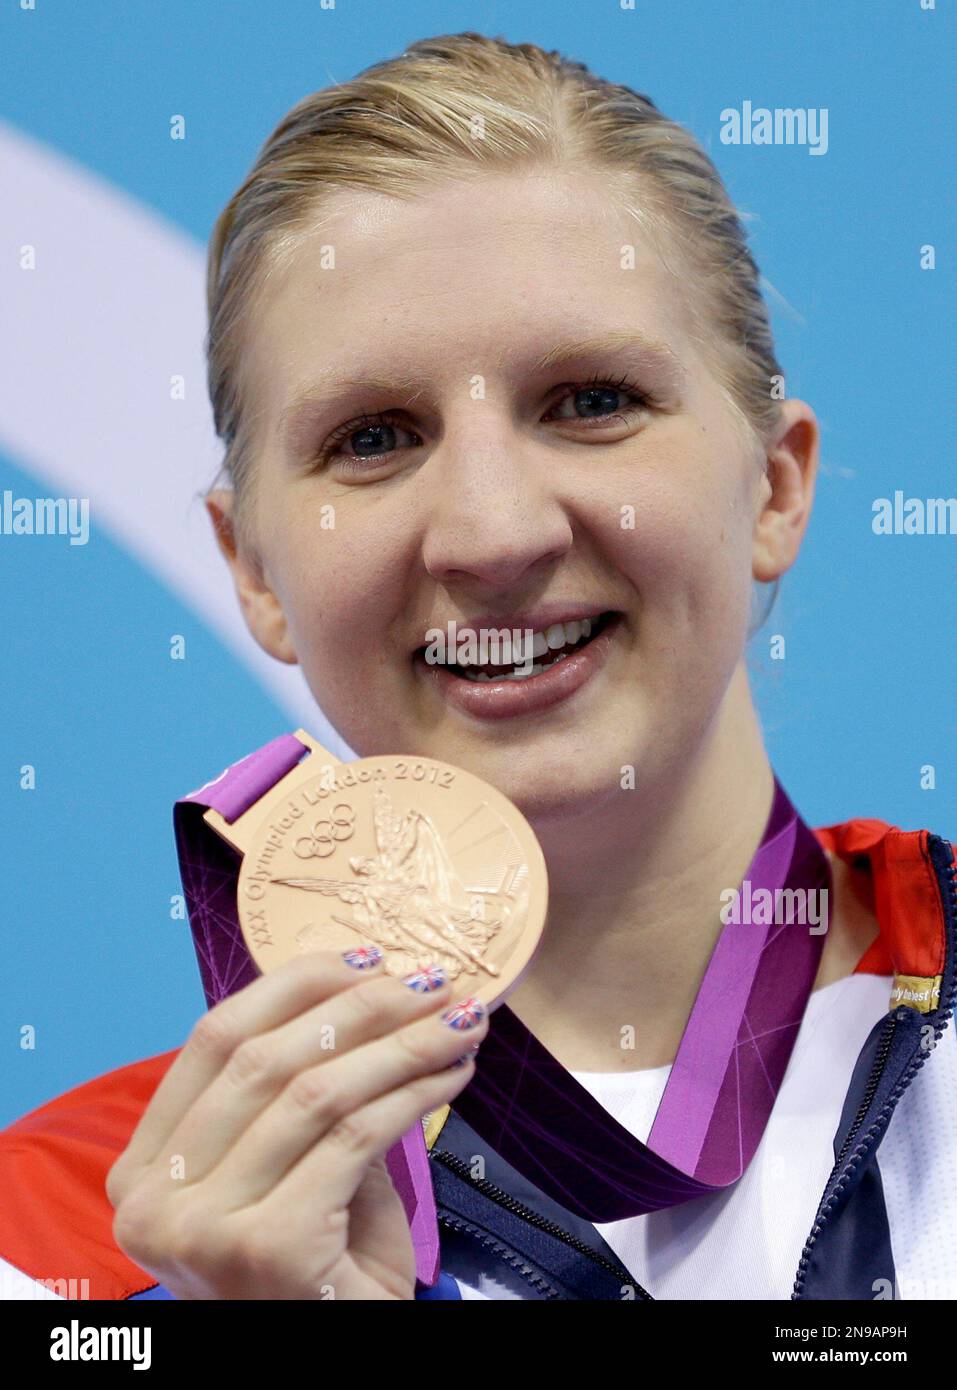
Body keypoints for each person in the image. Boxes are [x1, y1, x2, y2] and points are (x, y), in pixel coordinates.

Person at [1, 31, 955, 1303]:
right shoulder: (60, 1242)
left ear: (775, 485)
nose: (496, 533)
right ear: (255, 573)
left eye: (591, 400)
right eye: (375, 436)